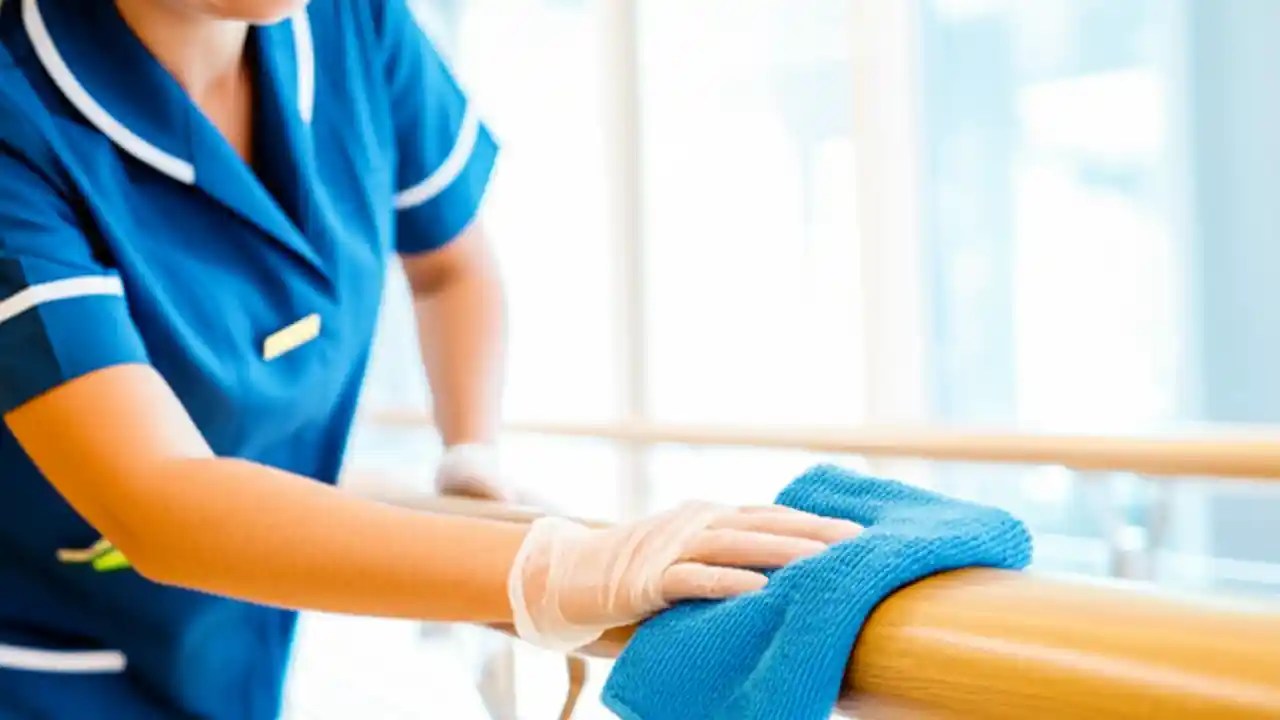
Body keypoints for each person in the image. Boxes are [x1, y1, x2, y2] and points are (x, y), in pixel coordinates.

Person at [0, 0, 861, 717]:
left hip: (242, 643)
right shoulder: (17, 114)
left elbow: (450, 268)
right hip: (42, 661)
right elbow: (158, 498)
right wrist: (551, 571)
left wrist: (469, 453)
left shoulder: (349, 23)